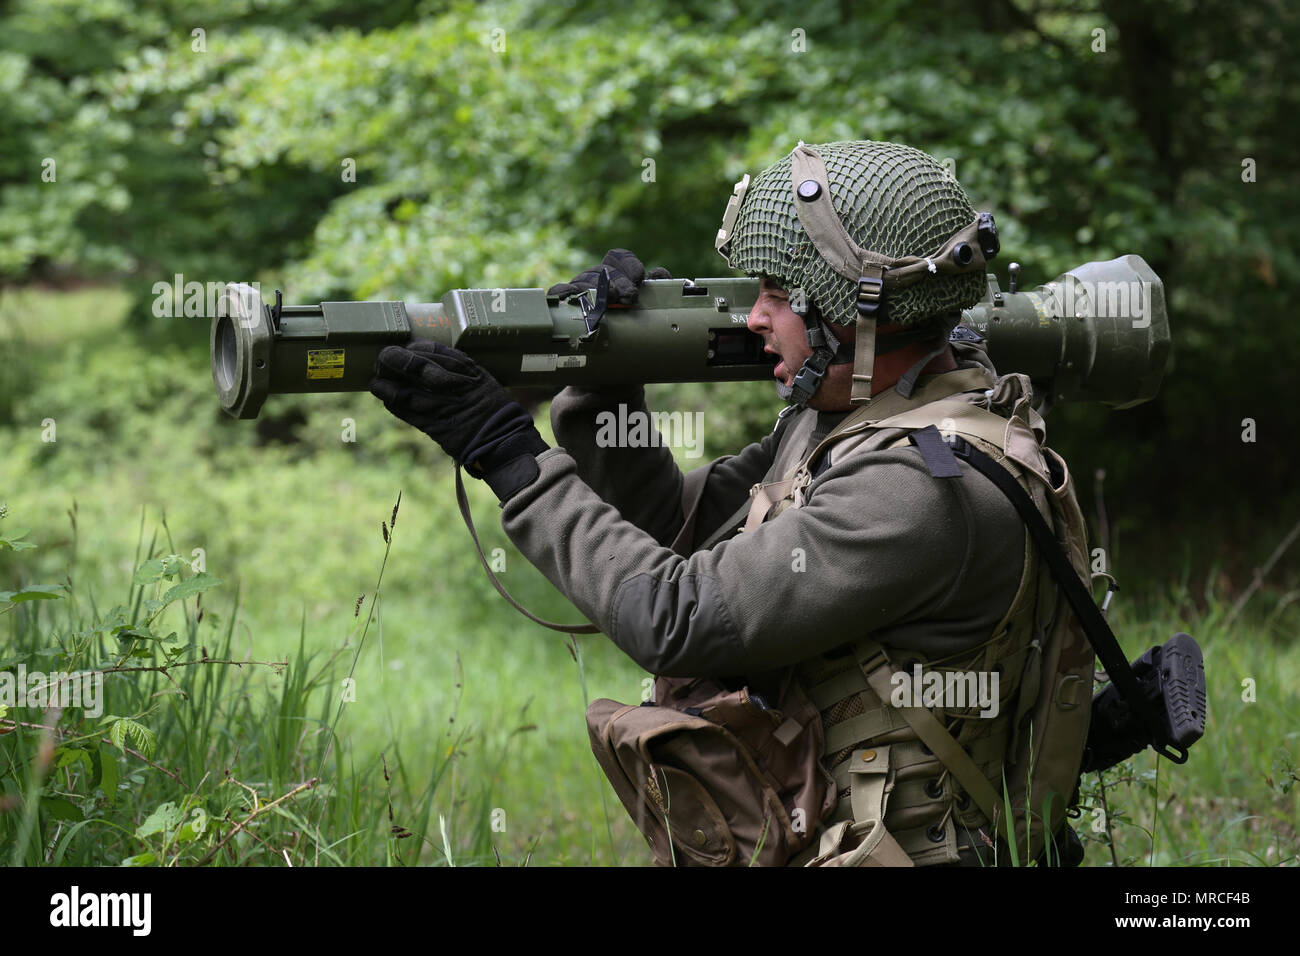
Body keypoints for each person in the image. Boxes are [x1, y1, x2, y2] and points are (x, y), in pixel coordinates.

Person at [369, 140, 1092, 867]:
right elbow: (678, 536)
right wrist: (605, 382)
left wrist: (507, 452)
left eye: (778, 295)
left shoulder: (921, 487)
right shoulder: (859, 421)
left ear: (856, 310)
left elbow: (675, 614)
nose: (754, 317)